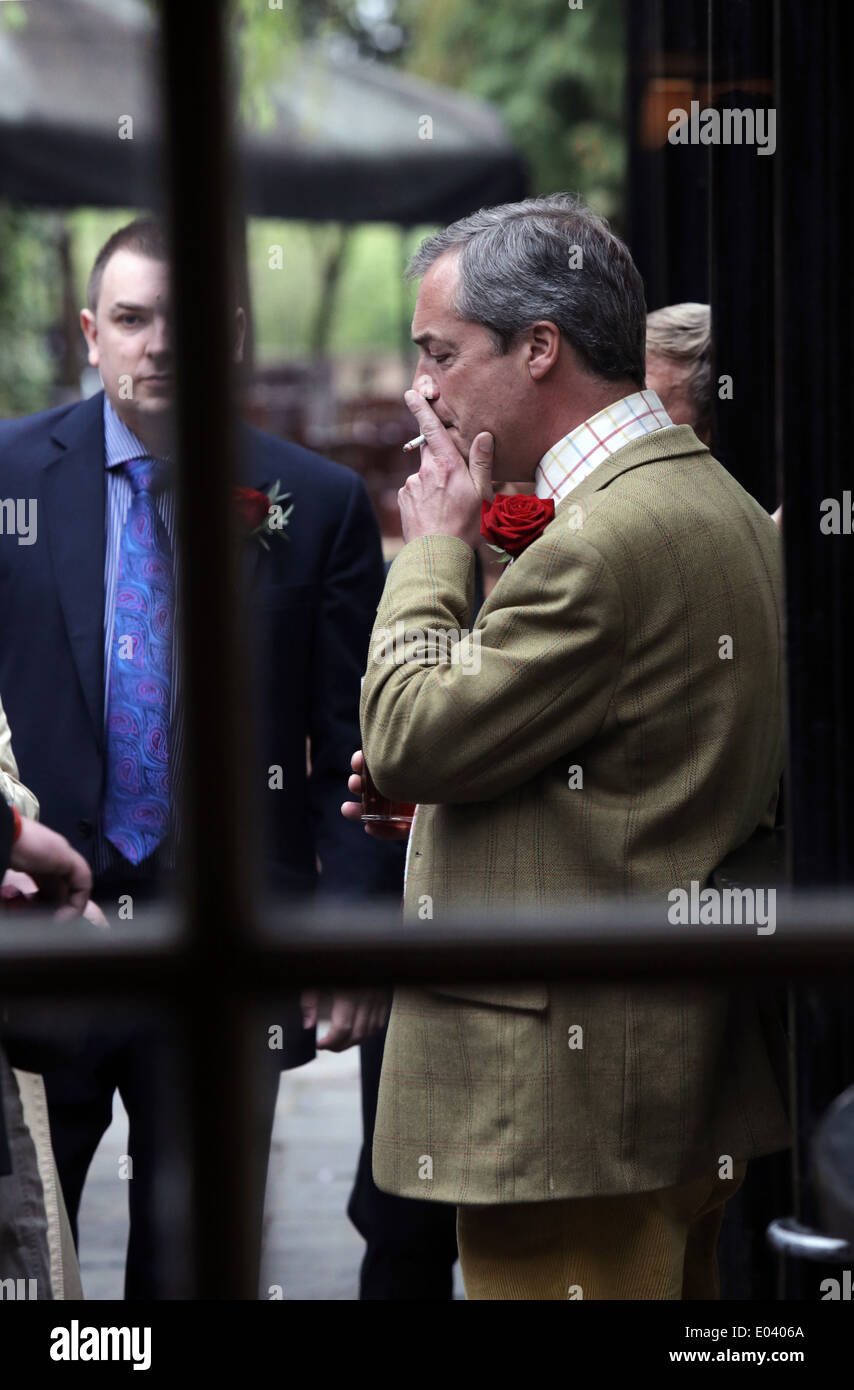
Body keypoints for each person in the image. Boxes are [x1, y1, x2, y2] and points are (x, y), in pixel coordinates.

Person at [351, 193, 791, 1300]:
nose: (424, 390)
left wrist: (431, 554)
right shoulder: (709, 500)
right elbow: (629, 768)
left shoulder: (593, 542)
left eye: (441, 355)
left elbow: (404, 732)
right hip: (656, 1080)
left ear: (538, 347)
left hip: (561, 1102)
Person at [0, 217, 399, 1298]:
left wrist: (352, 929)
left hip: (229, 943)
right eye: (132, 318)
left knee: (197, 1267)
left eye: (183, 320)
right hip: (43, 929)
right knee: (25, 1255)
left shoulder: (311, 504)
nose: (158, 344)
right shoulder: (7, 478)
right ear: (92, 332)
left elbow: (357, 745)